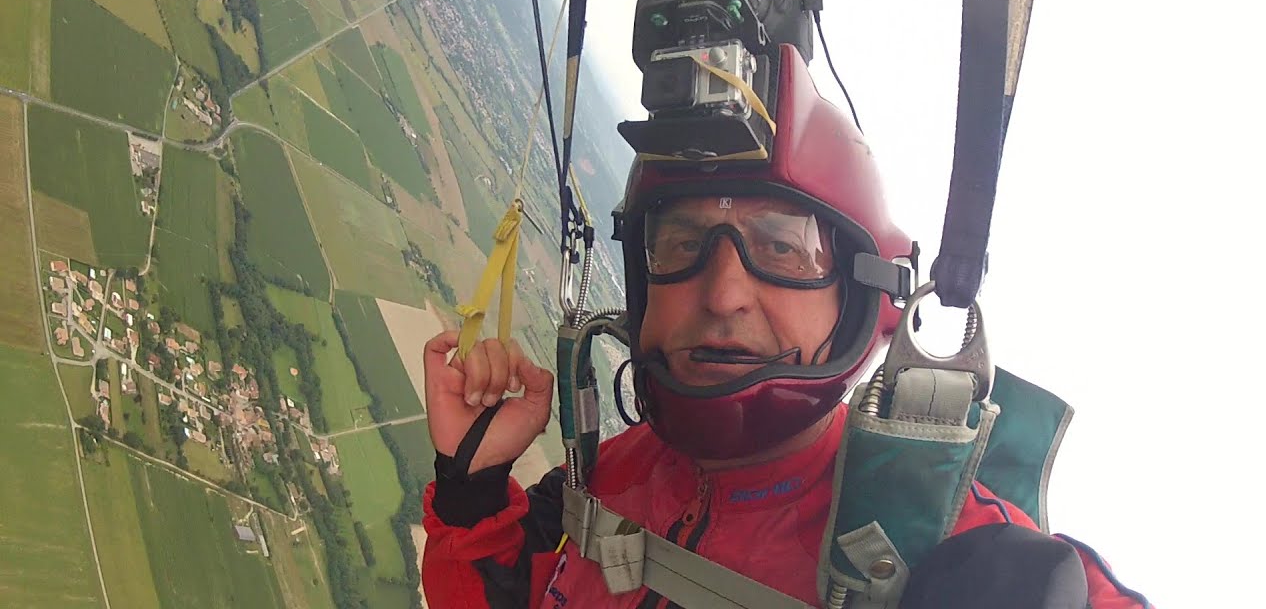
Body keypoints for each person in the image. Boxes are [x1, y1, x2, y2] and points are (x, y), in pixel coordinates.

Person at [419, 42, 1150, 608]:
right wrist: (472, 492)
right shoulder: (606, 475)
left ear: (859, 298)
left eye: (782, 248)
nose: (723, 292)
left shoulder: (946, 541)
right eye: (681, 240)